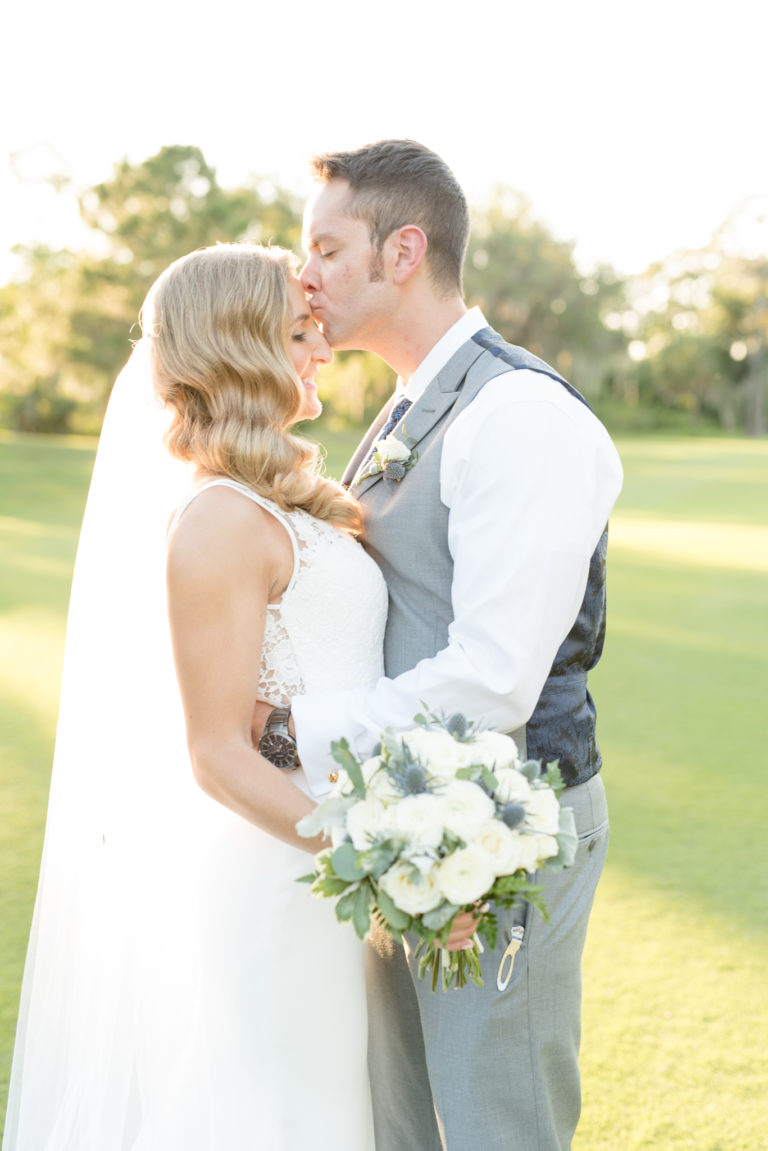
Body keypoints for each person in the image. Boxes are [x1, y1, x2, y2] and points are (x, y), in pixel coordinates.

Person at [260, 141, 624, 1151]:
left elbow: (496, 680)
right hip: (402, 819)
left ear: (404, 250)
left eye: (327, 248)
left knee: (492, 1121)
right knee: (406, 1124)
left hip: (503, 823)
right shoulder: (409, 401)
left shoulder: (520, 414)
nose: (306, 274)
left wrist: (292, 733)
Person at [3, 243, 385, 1150]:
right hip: (284, 873)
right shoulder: (218, 519)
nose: (323, 347)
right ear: (240, 348)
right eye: (299, 331)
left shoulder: (282, 499)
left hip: (322, 867)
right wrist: (371, 861)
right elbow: (215, 753)